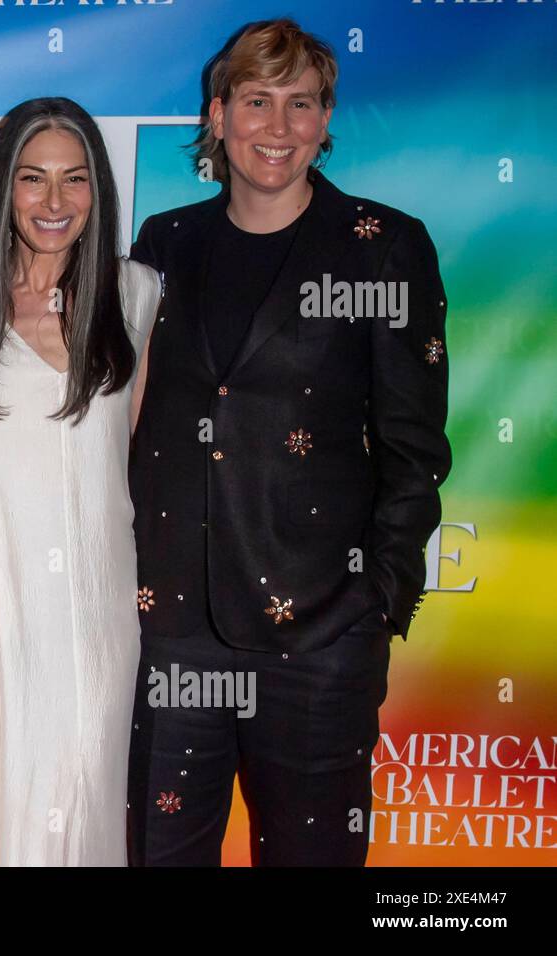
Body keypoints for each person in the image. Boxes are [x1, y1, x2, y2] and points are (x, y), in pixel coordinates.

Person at [123, 19, 451, 865]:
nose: (277, 127)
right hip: (175, 629)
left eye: (299, 104)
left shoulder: (385, 249)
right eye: (258, 102)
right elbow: (115, 406)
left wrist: (377, 600)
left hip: (321, 634)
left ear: (325, 118)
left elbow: (415, 449)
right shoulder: (166, 245)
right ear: (219, 113)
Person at [0, 98, 162, 866]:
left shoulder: (139, 295)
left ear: (99, 190)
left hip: (94, 595)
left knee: (78, 790)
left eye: (74, 179)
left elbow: (121, 456)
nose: (54, 203)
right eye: (32, 179)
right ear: (3, 189)